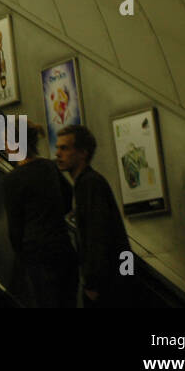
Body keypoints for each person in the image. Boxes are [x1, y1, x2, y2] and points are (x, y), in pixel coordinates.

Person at [55, 124, 134, 307]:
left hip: (107, 285)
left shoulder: (89, 185)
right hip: (116, 278)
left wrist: (92, 282)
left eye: (64, 148)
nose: (58, 153)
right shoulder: (88, 182)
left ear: (83, 153)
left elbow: (97, 234)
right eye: (58, 148)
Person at [3, 122, 78, 307]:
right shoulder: (49, 166)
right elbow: (68, 196)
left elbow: (15, 228)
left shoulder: (12, 179)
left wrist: (22, 255)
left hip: (38, 256)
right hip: (63, 249)